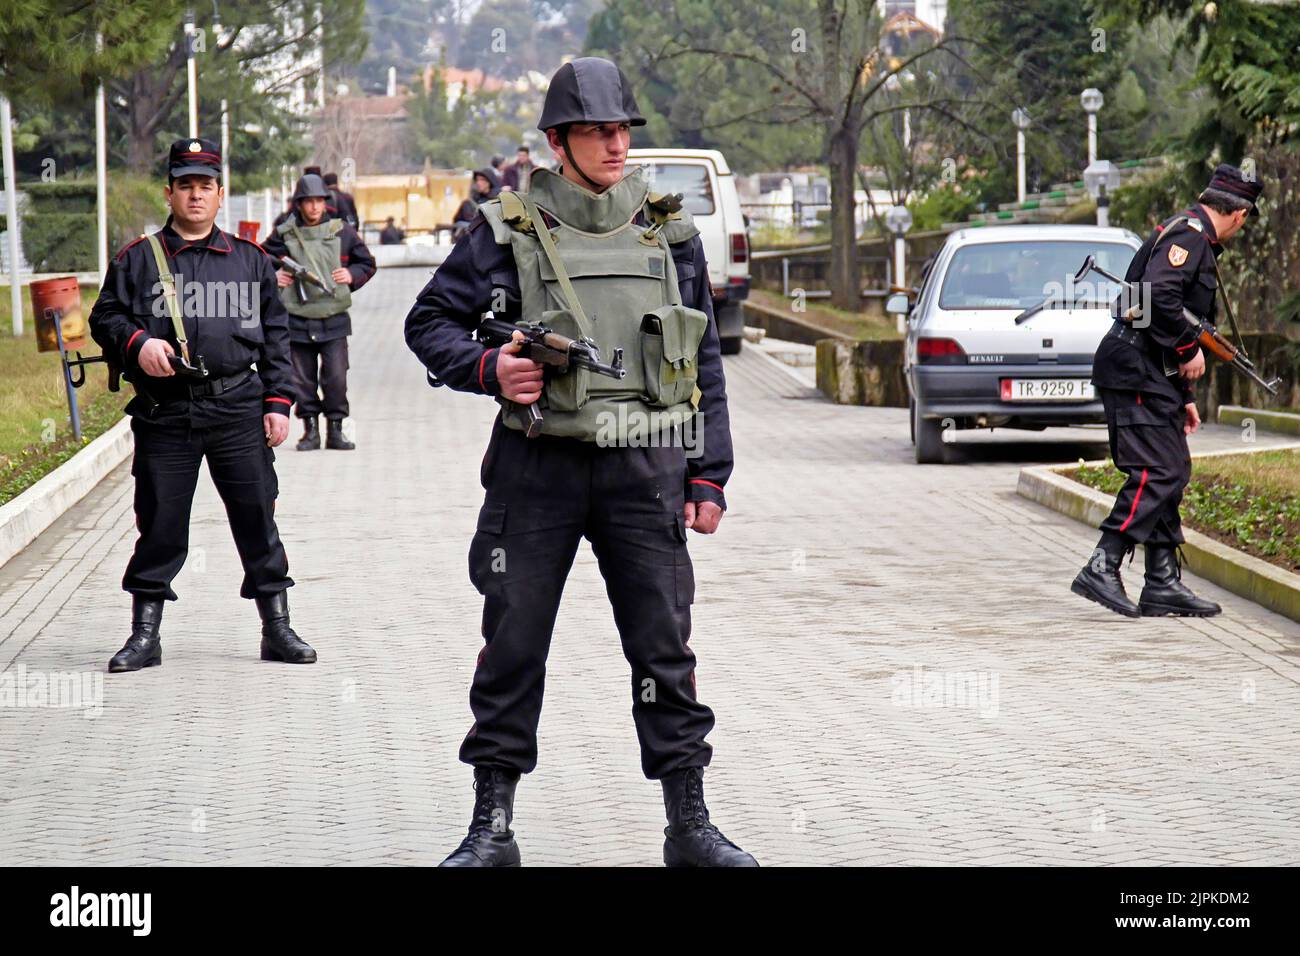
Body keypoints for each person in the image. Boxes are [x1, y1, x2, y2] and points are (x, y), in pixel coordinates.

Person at [405, 57, 755, 867]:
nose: (614, 144)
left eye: (623, 129)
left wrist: (709, 475)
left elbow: (701, 361)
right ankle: (491, 827)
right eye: (597, 131)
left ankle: (689, 826)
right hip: (537, 470)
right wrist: (491, 369)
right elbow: (430, 323)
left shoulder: (668, 230)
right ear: (559, 141)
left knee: (664, 651)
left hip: (648, 468)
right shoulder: (506, 228)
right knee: (514, 643)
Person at [88, 137, 316, 672]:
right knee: (162, 520)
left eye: (205, 186)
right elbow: (105, 317)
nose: (195, 195)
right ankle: (145, 635)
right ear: (169, 192)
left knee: (257, 515)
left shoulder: (251, 260)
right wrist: (137, 345)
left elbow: (277, 337)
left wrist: (279, 403)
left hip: (239, 407)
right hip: (166, 413)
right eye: (185, 185)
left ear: (220, 194)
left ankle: (277, 628)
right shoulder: (137, 260)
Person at [1071, 163, 1264, 618]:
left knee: (1171, 469)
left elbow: (1148, 300)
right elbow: (1157, 299)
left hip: (1148, 372)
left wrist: (1185, 397)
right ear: (1239, 214)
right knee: (1158, 472)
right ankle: (1103, 563)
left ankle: (1161, 581)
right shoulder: (1190, 237)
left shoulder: (1184, 231)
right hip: (1134, 367)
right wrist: (1185, 349)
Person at [261, 173, 376, 452]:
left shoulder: (341, 232)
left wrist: (351, 274)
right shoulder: (285, 232)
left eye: (318, 201)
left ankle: (335, 429)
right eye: (308, 201)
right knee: (301, 380)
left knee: (336, 377)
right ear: (299, 204)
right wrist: (275, 276)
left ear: (326, 202)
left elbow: (367, 264)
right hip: (297, 319)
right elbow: (259, 260)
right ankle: (309, 430)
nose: (314, 207)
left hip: (334, 318)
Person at [450, 168, 500, 242]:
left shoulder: (498, 200)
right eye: (477, 180)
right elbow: (457, 223)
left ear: (490, 181)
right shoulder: (469, 202)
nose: (478, 182)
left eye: (482, 179)